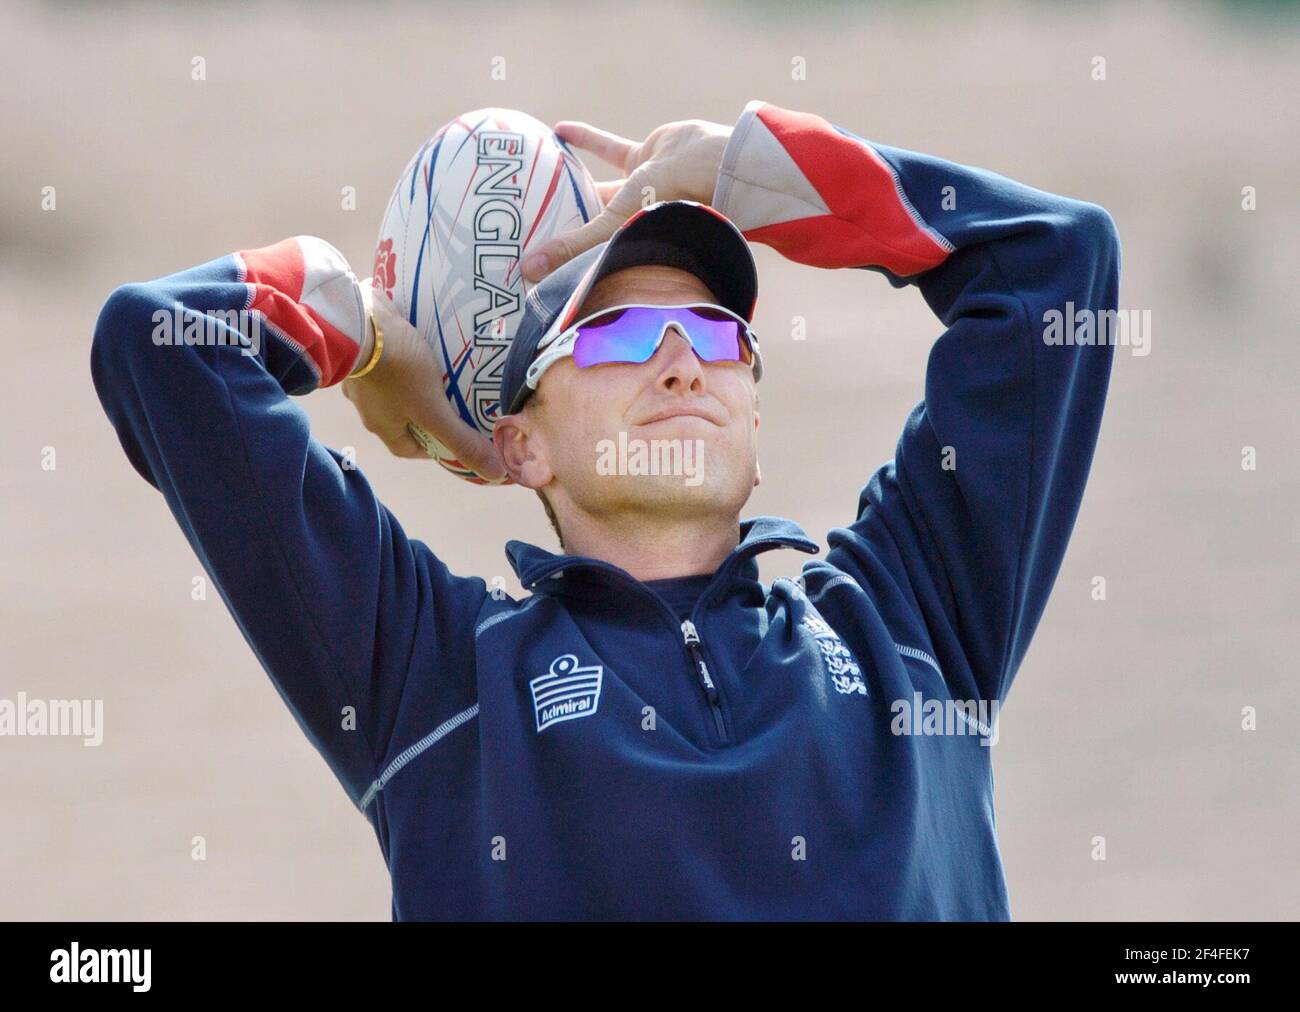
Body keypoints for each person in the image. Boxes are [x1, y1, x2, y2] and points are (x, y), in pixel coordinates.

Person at [91, 99, 1120, 920]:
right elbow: (162, 341)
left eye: (716, 336)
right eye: (619, 336)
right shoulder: (436, 678)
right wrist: (365, 334)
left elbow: (1057, 261)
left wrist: (752, 173)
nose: (679, 359)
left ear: (755, 423)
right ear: (520, 444)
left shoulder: (912, 619)